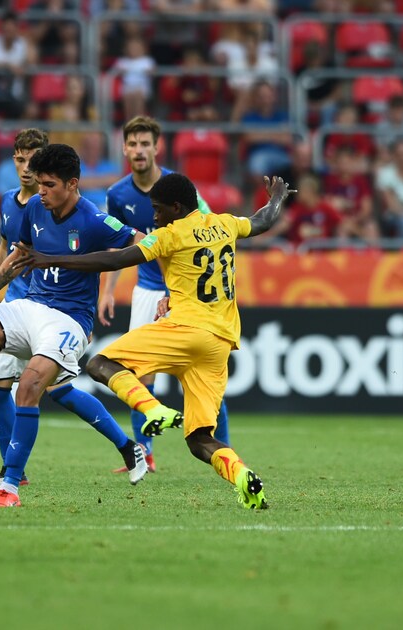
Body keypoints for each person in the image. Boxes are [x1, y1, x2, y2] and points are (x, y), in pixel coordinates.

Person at [16, 173, 296, 510]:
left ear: (176, 207)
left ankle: (154, 409)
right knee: (199, 439)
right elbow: (263, 220)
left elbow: (115, 259)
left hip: (186, 329)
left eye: (158, 209)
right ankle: (242, 475)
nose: (154, 216)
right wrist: (277, 196)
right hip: (220, 342)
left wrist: (52, 259)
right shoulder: (225, 223)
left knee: (100, 363)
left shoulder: (169, 235)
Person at [0, 143, 149, 508]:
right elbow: (17, 256)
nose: (41, 191)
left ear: (72, 184)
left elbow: (144, 243)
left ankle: (9, 487)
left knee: (31, 386)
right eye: (39, 183)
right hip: (30, 305)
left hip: (69, 320)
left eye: (49, 185)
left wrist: (109, 267)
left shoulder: (94, 219)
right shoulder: (35, 207)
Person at [100, 116, 232, 473]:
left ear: (157, 147)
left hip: (188, 290)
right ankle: (145, 453)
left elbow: (208, 230)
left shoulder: (179, 188)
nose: (139, 150)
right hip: (147, 289)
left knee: (202, 376)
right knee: (139, 374)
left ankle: (224, 446)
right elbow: (117, 246)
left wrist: (175, 292)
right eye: (133, 144)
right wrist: (107, 291)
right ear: (124, 149)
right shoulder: (117, 194)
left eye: (145, 143)